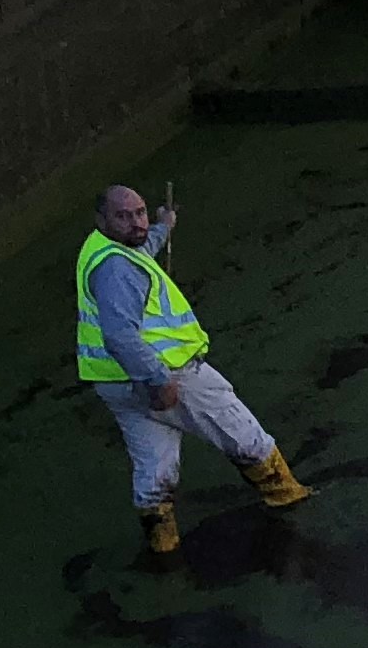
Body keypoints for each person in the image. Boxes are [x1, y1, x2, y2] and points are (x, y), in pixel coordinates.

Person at [76, 184, 310, 558]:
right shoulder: (117, 268)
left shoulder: (105, 249)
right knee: (242, 433)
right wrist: (158, 380)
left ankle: (163, 544)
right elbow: (119, 335)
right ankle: (286, 497)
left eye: (140, 213)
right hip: (170, 375)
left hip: (115, 385)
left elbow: (143, 248)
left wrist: (162, 227)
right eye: (124, 216)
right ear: (101, 219)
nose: (136, 222)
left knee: (153, 469)